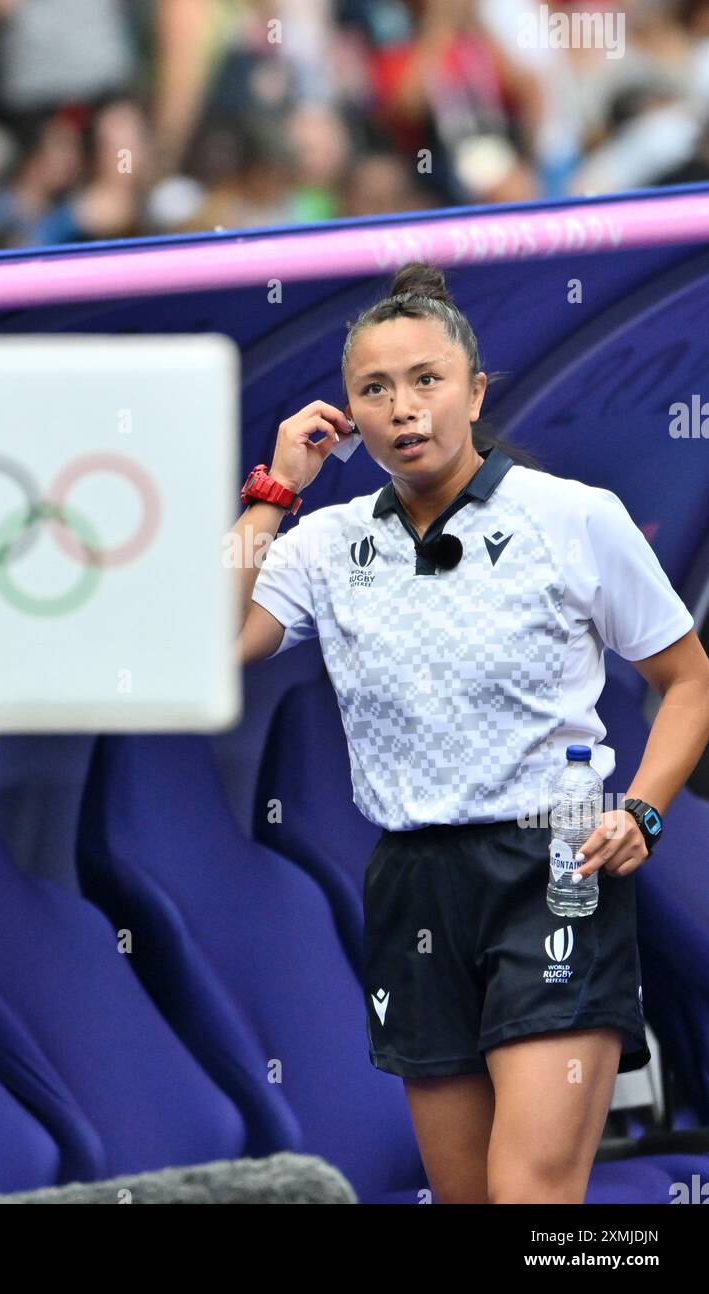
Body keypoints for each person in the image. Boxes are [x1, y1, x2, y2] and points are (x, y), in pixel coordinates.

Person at [230, 260, 709, 1204]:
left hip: (557, 869)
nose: (403, 409)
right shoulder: (325, 545)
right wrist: (275, 489)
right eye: (375, 389)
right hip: (413, 882)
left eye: (426, 381)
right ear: (348, 416)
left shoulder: (574, 517)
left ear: (475, 391)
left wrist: (645, 815)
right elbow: (204, 651)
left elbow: (689, 682)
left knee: (529, 1201)